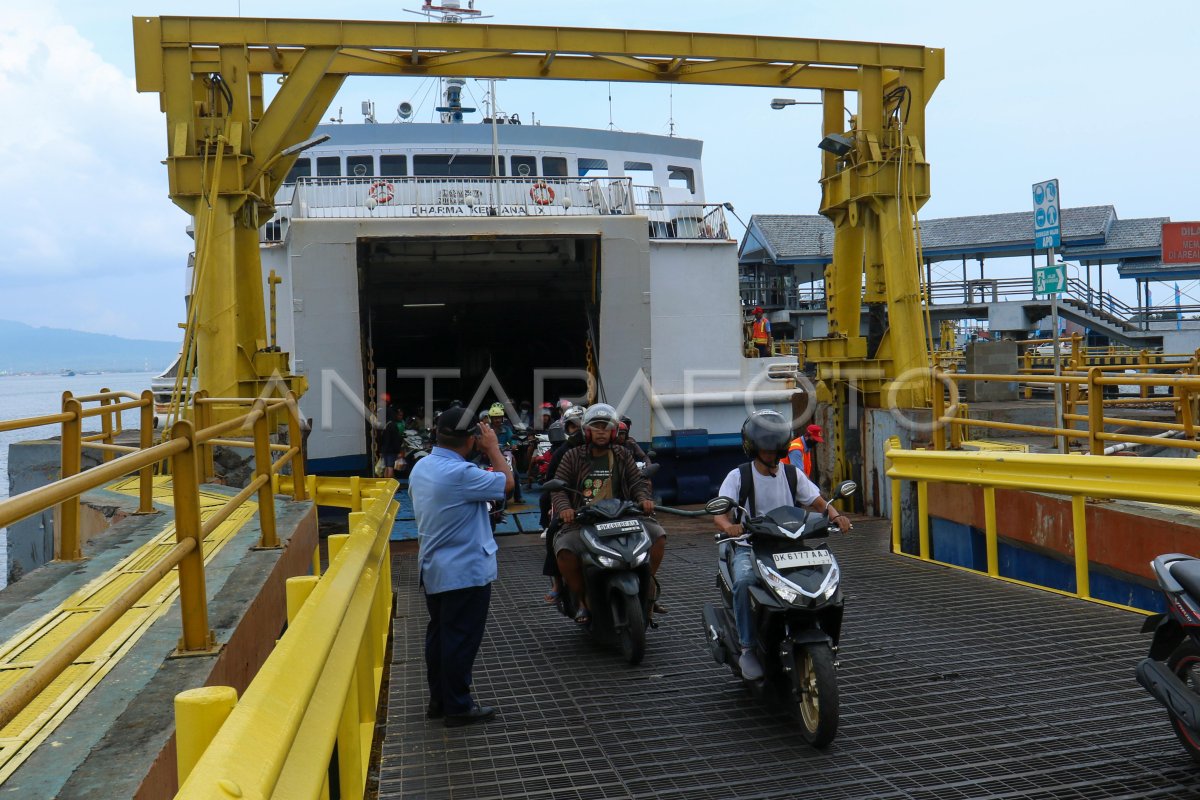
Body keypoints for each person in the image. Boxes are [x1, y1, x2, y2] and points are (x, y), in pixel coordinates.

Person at [712, 410, 851, 680]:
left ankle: (821, 634)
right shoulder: (738, 476)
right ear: (753, 448)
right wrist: (730, 527)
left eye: (774, 448)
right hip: (750, 547)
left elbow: (818, 502)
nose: (771, 453)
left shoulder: (792, 474)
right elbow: (720, 514)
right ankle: (747, 647)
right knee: (744, 582)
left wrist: (836, 516)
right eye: (765, 448)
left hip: (790, 546)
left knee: (826, 580)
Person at [409, 406, 514, 727]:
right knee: (460, 641)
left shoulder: (422, 467)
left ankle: (439, 700)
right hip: (464, 573)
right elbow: (507, 483)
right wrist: (493, 448)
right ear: (471, 439)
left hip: (434, 569)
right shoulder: (461, 474)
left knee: (440, 637)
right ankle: (457, 706)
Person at [551, 403, 661, 624]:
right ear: (587, 431)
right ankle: (582, 599)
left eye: (606, 427)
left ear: (613, 431)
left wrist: (644, 500)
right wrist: (565, 509)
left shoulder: (623, 454)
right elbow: (558, 488)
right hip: (583, 520)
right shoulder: (572, 455)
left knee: (658, 534)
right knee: (564, 550)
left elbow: (637, 483)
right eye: (596, 427)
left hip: (622, 516)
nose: (601, 432)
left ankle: (648, 584)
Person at [539, 405, 586, 601]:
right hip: (570, 504)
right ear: (566, 429)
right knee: (553, 532)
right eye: (573, 426)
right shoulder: (562, 452)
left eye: (582, 424)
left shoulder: (605, 449)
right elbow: (552, 483)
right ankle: (557, 582)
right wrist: (563, 506)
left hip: (601, 505)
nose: (578, 430)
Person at [380, 405, 406, 479]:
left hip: (385, 450)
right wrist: (398, 451)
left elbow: (382, 439)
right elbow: (395, 440)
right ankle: (390, 483)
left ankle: (386, 482)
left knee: (386, 467)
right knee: (390, 467)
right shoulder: (393, 425)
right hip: (391, 450)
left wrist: (381, 450)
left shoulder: (386, 424)